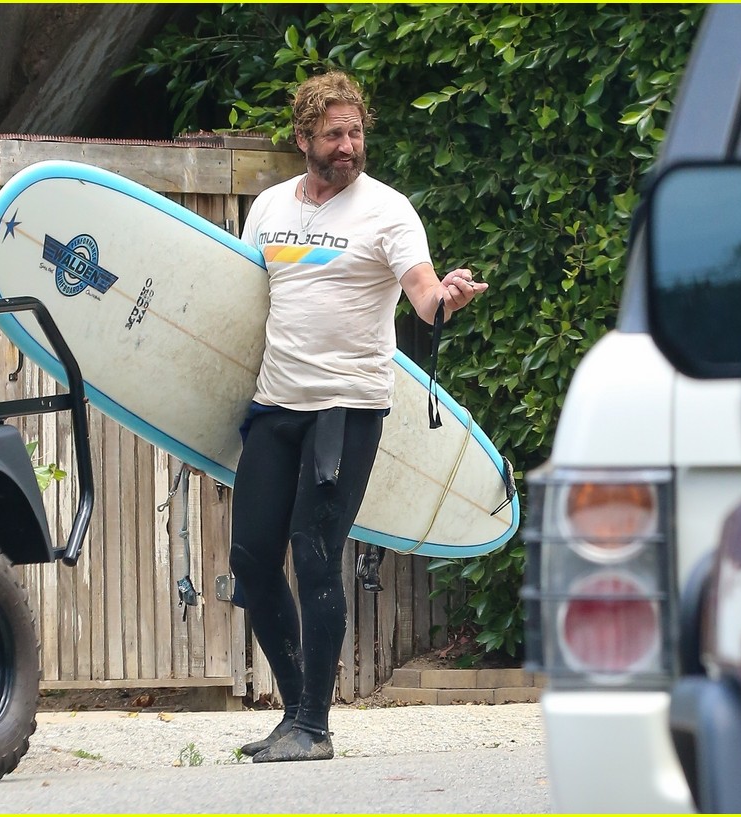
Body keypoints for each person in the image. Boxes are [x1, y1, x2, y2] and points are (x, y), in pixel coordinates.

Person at [230, 70, 488, 763]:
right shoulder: (269, 209)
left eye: (356, 132)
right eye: (334, 133)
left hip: (346, 406)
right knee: (251, 561)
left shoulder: (388, 212)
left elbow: (424, 293)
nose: (347, 145)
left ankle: (314, 725)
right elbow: (236, 302)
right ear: (303, 138)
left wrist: (447, 299)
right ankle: (294, 713)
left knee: (314, 554)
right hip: (275, 403)